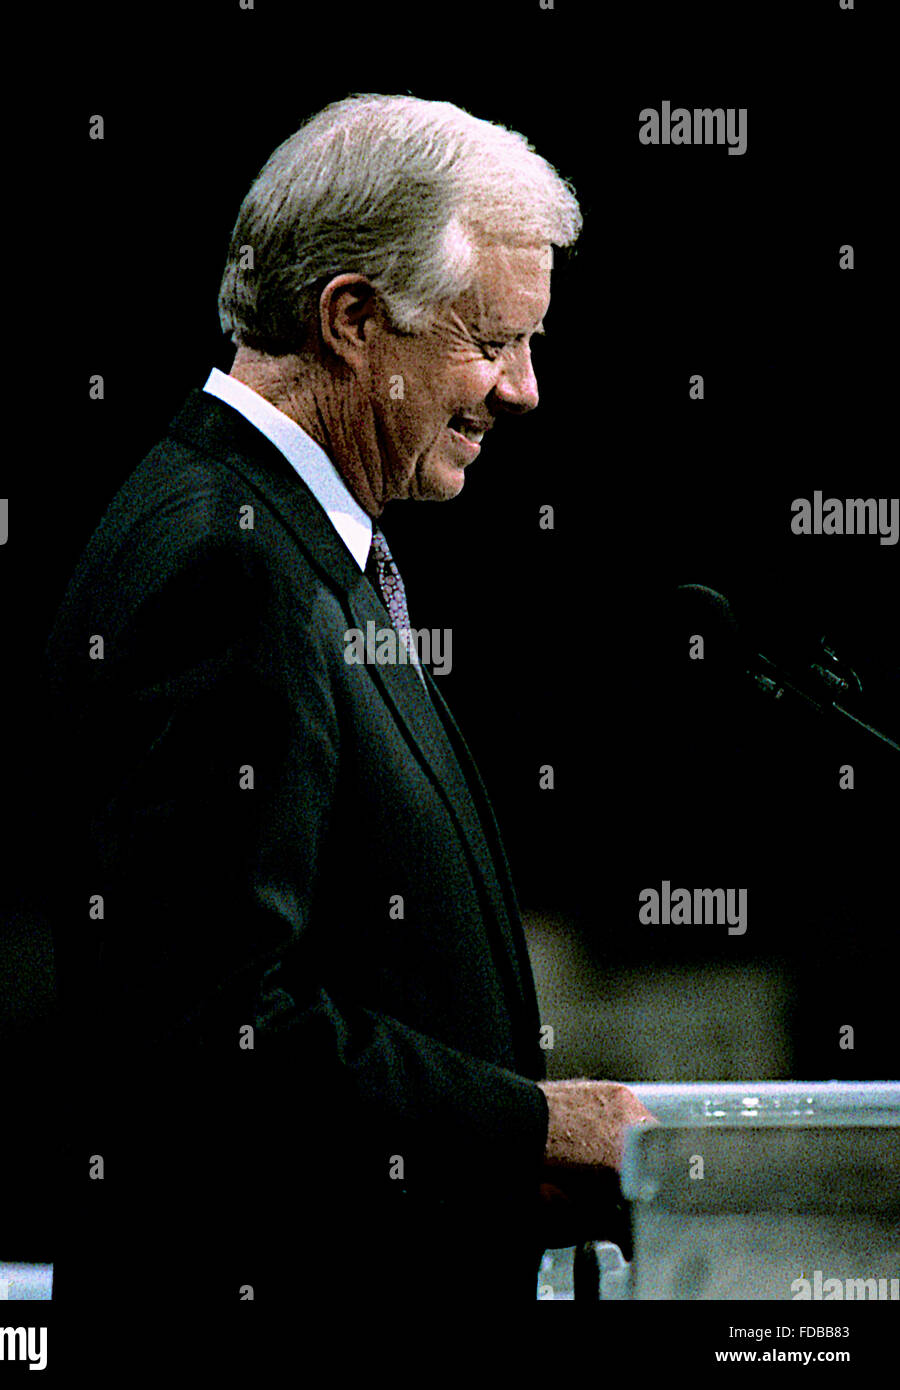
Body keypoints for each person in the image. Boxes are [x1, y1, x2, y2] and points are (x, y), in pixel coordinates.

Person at [45, 93, 654, 1312]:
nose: (524, 390)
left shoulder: (278, 537)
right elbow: (211, 1025)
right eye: (493, 340)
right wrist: (525, 1127)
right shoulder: (229, 568)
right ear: (352, 319)